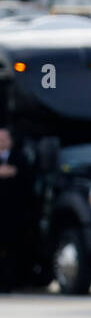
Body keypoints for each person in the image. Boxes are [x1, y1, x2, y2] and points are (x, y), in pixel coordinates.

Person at [0, 125, 37, 291]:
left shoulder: (19, 157)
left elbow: (27, 180)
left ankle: (11, 282)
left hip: (13, 212)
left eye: (4, 139)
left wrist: (14, 173)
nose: (2, 142)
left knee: (12, 248)